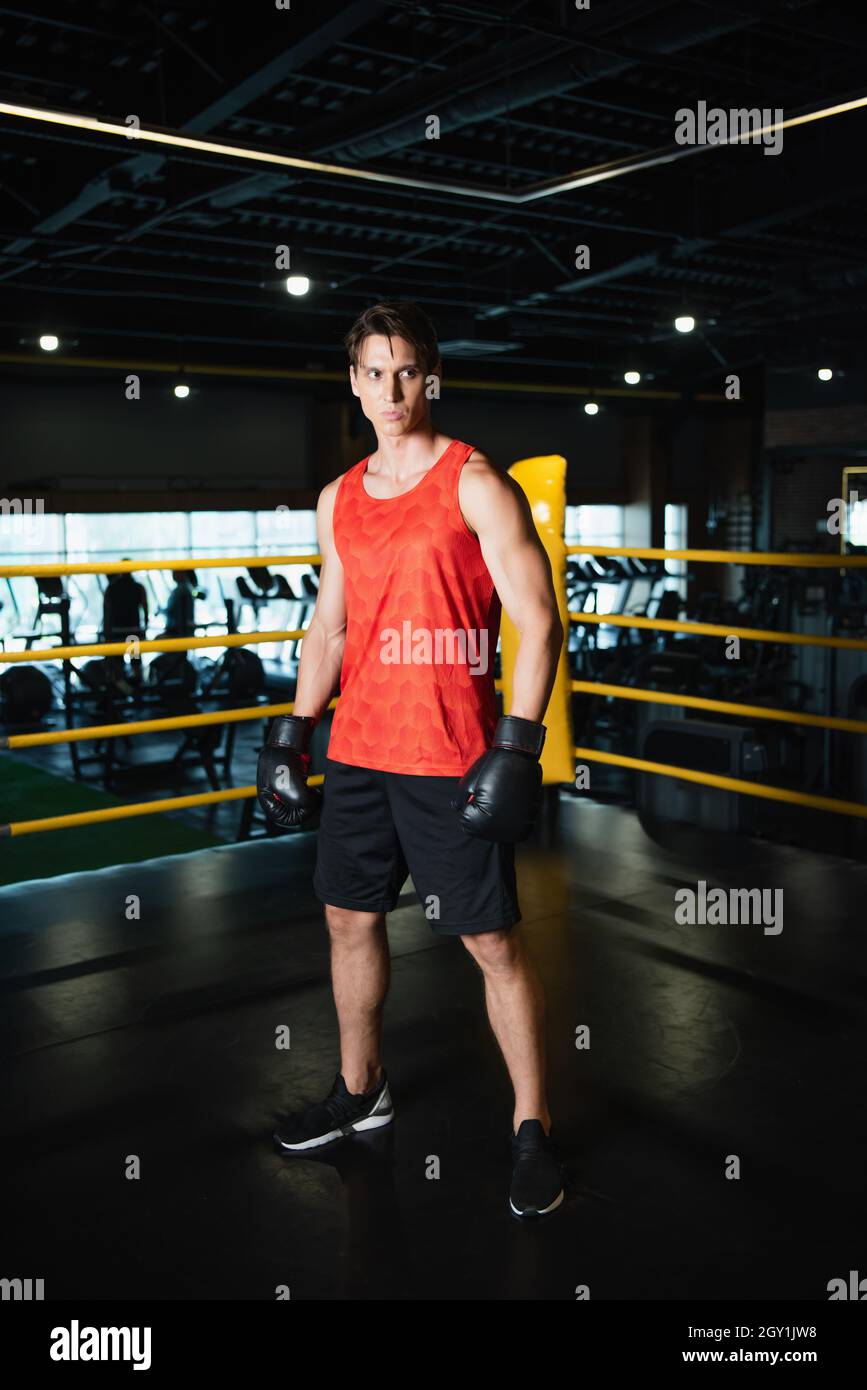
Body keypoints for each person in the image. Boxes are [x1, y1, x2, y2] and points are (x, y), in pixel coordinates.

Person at [258, 301, 566, 1218]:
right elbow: (331, 625)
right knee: (349, 924)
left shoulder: (475, 481)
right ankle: (361, 1092)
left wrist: (516, 745)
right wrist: (291, 732)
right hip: (359, 752)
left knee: (489, 942)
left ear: (428, 377)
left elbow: (539, 617)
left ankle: (533, 1127)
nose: (390, 391)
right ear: (352, 382)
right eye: (372, 373)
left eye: (406, 373)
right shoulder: (339, 496)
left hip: (449, 758)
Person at [163, 570, 196, 637]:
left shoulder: (182, 590)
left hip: (178, 631)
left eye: (175, 573)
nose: (173, 575)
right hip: (181, 630)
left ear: (183, 574)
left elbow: (177, 612)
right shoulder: (187, 588)